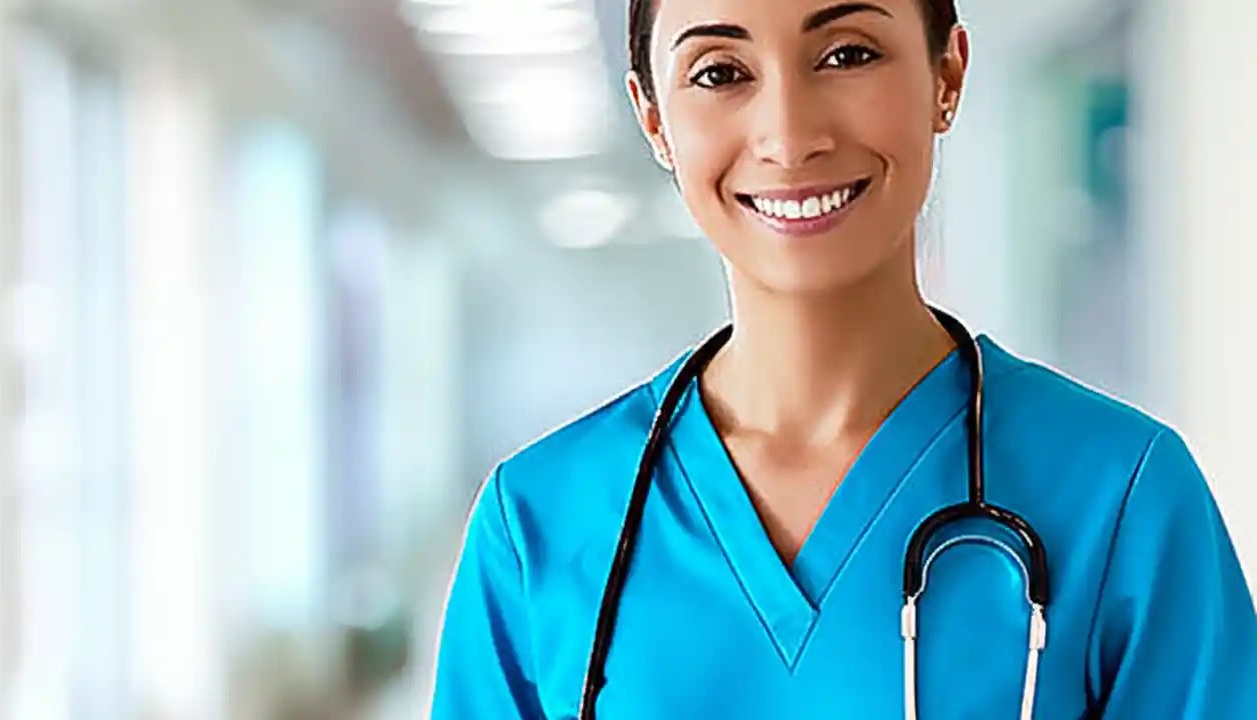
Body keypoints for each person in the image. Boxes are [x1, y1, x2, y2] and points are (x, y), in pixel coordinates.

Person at [430, 0, 1257, 717]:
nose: (790, 137)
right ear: (654, 119)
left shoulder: (1124, 496)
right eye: (720, 73)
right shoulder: (538, 523)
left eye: (848, 54)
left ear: (946, 75)